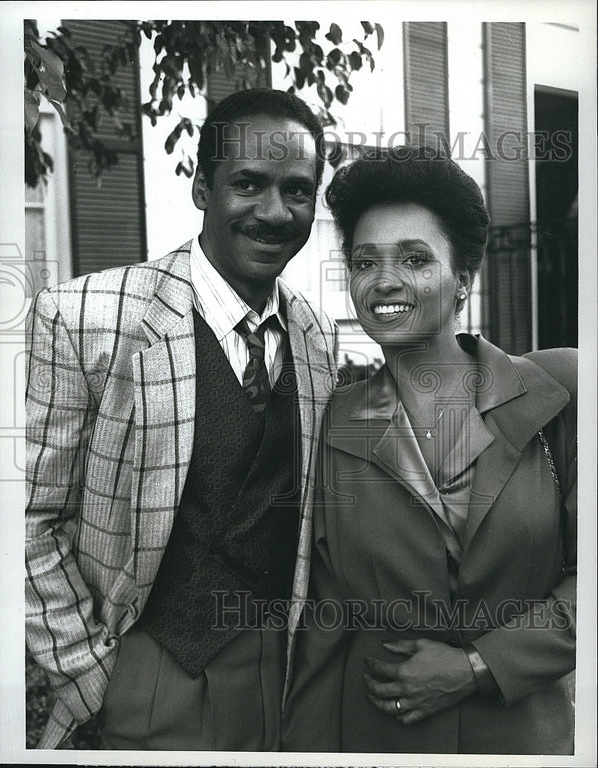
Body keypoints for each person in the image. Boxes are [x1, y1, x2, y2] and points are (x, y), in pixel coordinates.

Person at [25, 88, 338, 750]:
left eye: (297, 190)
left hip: (279, 686)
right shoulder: (87, 316)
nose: (275, 211)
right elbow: (27, 519)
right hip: (145, 675)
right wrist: (88, 671)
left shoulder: (314, 335)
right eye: (248, 184)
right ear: (202, 187)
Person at [282, 146, 576, 754]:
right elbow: (321, 623)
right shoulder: (331, 422)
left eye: (415, 259)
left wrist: (478, 665)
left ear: (464, 278)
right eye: (365, 262)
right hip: (376, 735)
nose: (385, 280)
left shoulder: (557, 396)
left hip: (525, 739)